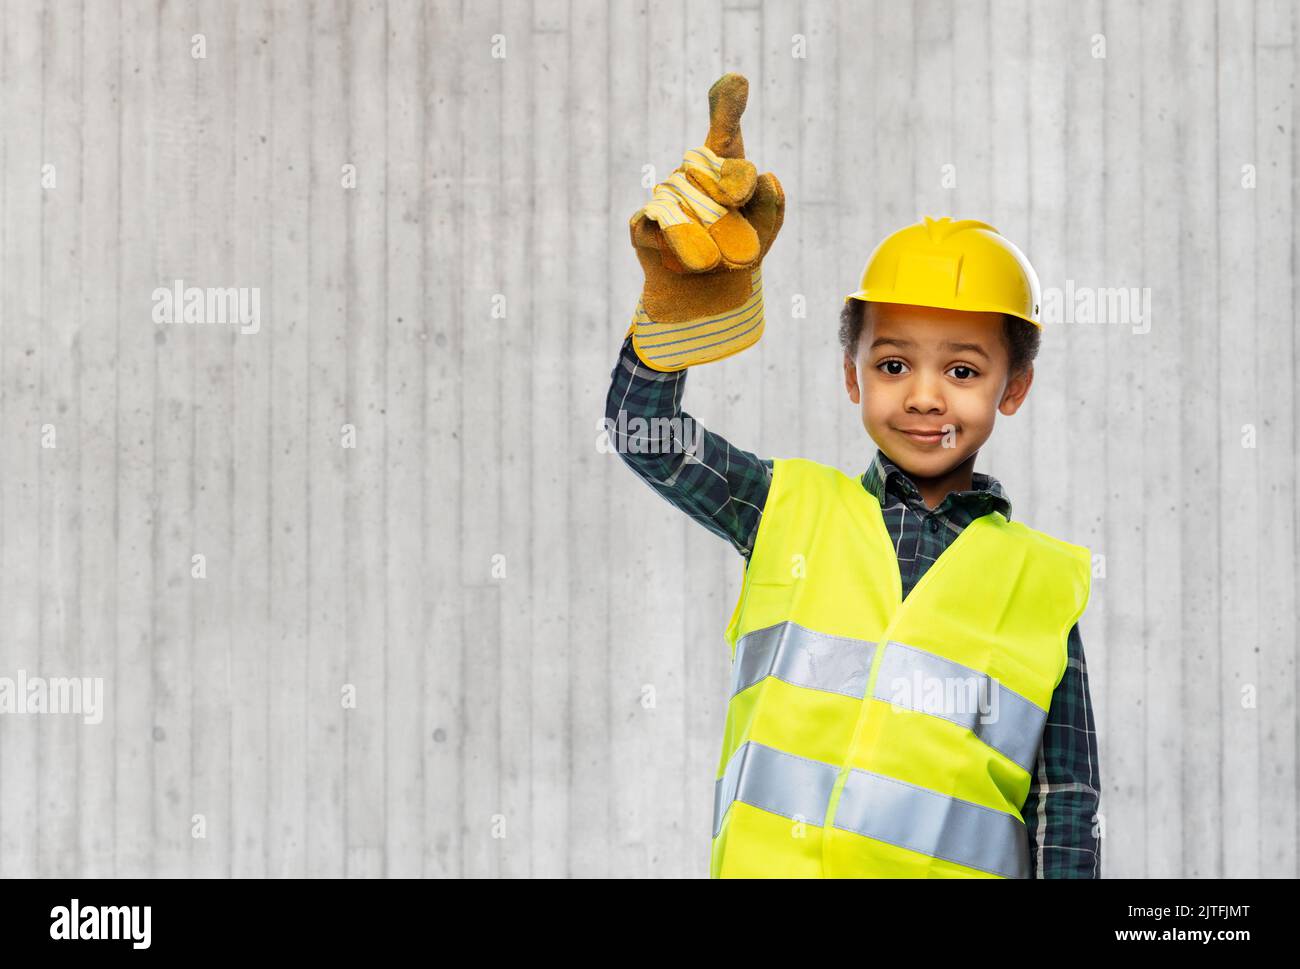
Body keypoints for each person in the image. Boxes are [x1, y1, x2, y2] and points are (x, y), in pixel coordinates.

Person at [605, 73, 1100, 879]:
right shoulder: (785, 510)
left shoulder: (1044, 585)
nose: (925, 394)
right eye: (894, 362)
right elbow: (641, 431)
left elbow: (1066, 806)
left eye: (965, 370)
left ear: (1015, 386)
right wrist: (668, 327)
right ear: (852, 376)